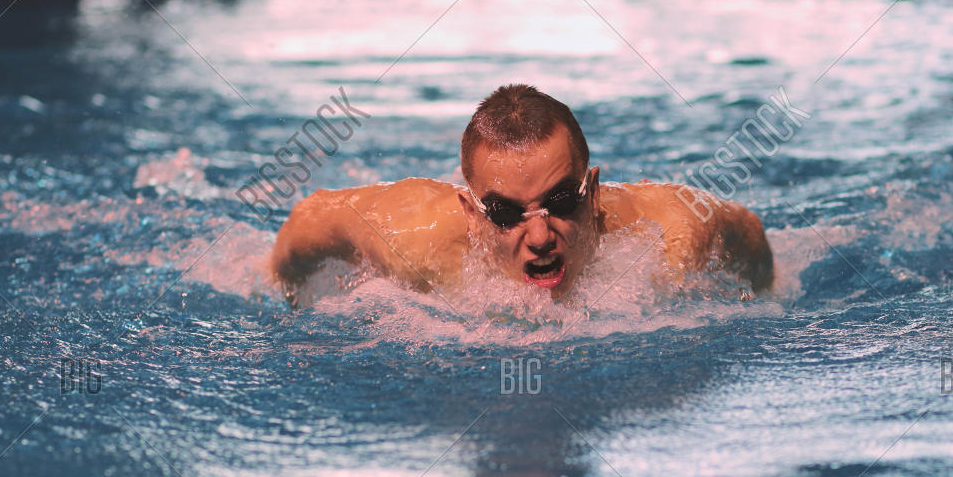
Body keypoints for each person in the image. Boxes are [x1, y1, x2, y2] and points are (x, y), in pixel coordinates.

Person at [270, 84, 773, 307]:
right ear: (472, 215)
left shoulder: (666, 238)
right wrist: (287, 298)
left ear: (593, 194)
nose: (539, 237)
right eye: (506, 213)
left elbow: (747, 230)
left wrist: (767, 294)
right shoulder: (414, 241)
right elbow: (309, 217)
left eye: (561, 201)